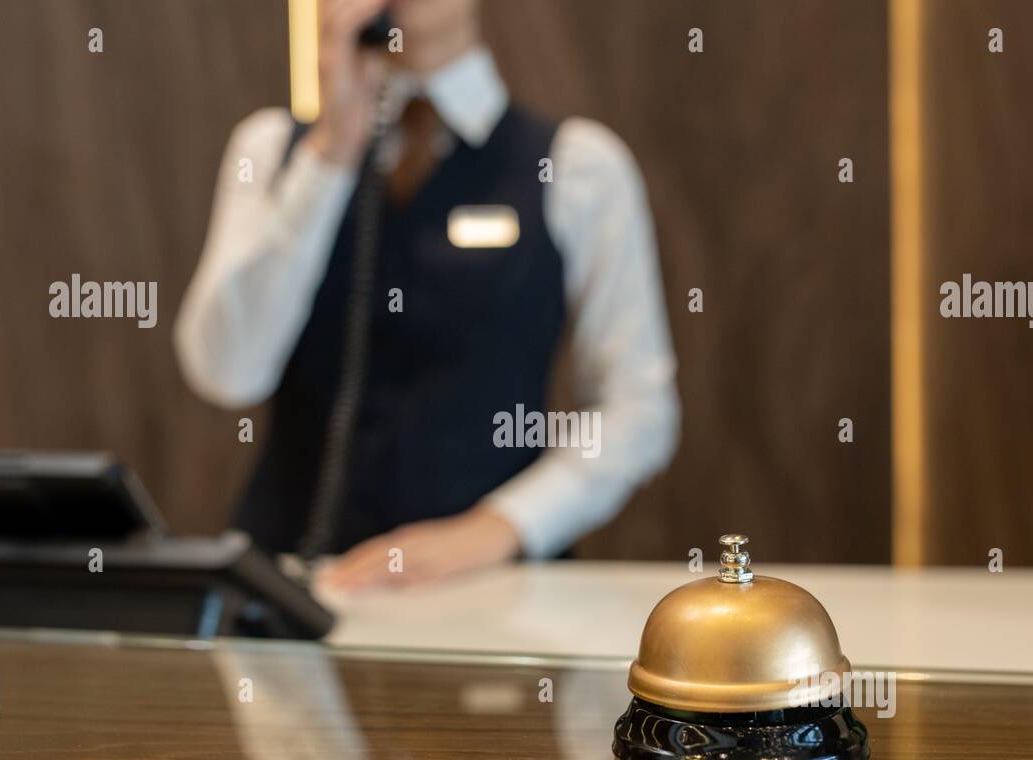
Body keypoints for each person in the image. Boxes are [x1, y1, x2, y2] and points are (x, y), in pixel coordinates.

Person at [174, 0, 678, 590]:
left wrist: (501, 527)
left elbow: (640, 411)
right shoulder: (271, 149)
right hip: (296, 586)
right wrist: (332, 150)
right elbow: (229, 374)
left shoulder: (578, 166)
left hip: (493, 600)